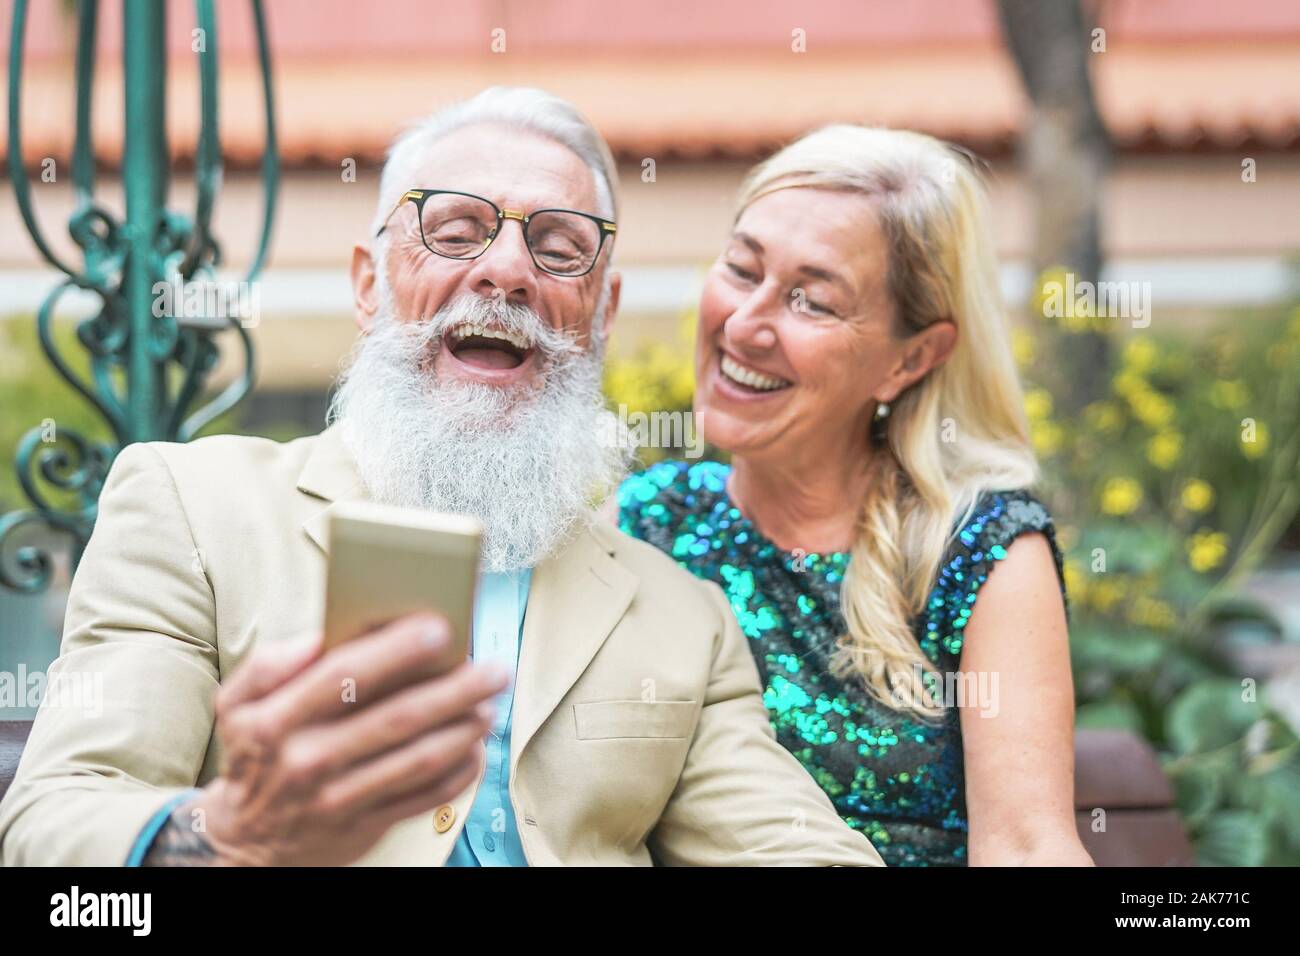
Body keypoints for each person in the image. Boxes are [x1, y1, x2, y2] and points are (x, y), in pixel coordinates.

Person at [0, 88, 883, 868]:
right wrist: (229, 834)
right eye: (453, 231)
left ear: (602, 314)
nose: (505, 271)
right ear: (368, 284)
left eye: (559, 248)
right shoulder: (191, 508)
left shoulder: (681, 613)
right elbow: (56, 835)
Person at [619, 125, 1094, 866]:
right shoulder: (646, 521)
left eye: (810, 302)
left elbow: (1029, 846)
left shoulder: (977, 550)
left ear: (911, 359)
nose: (745, 325)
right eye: (743, 271)